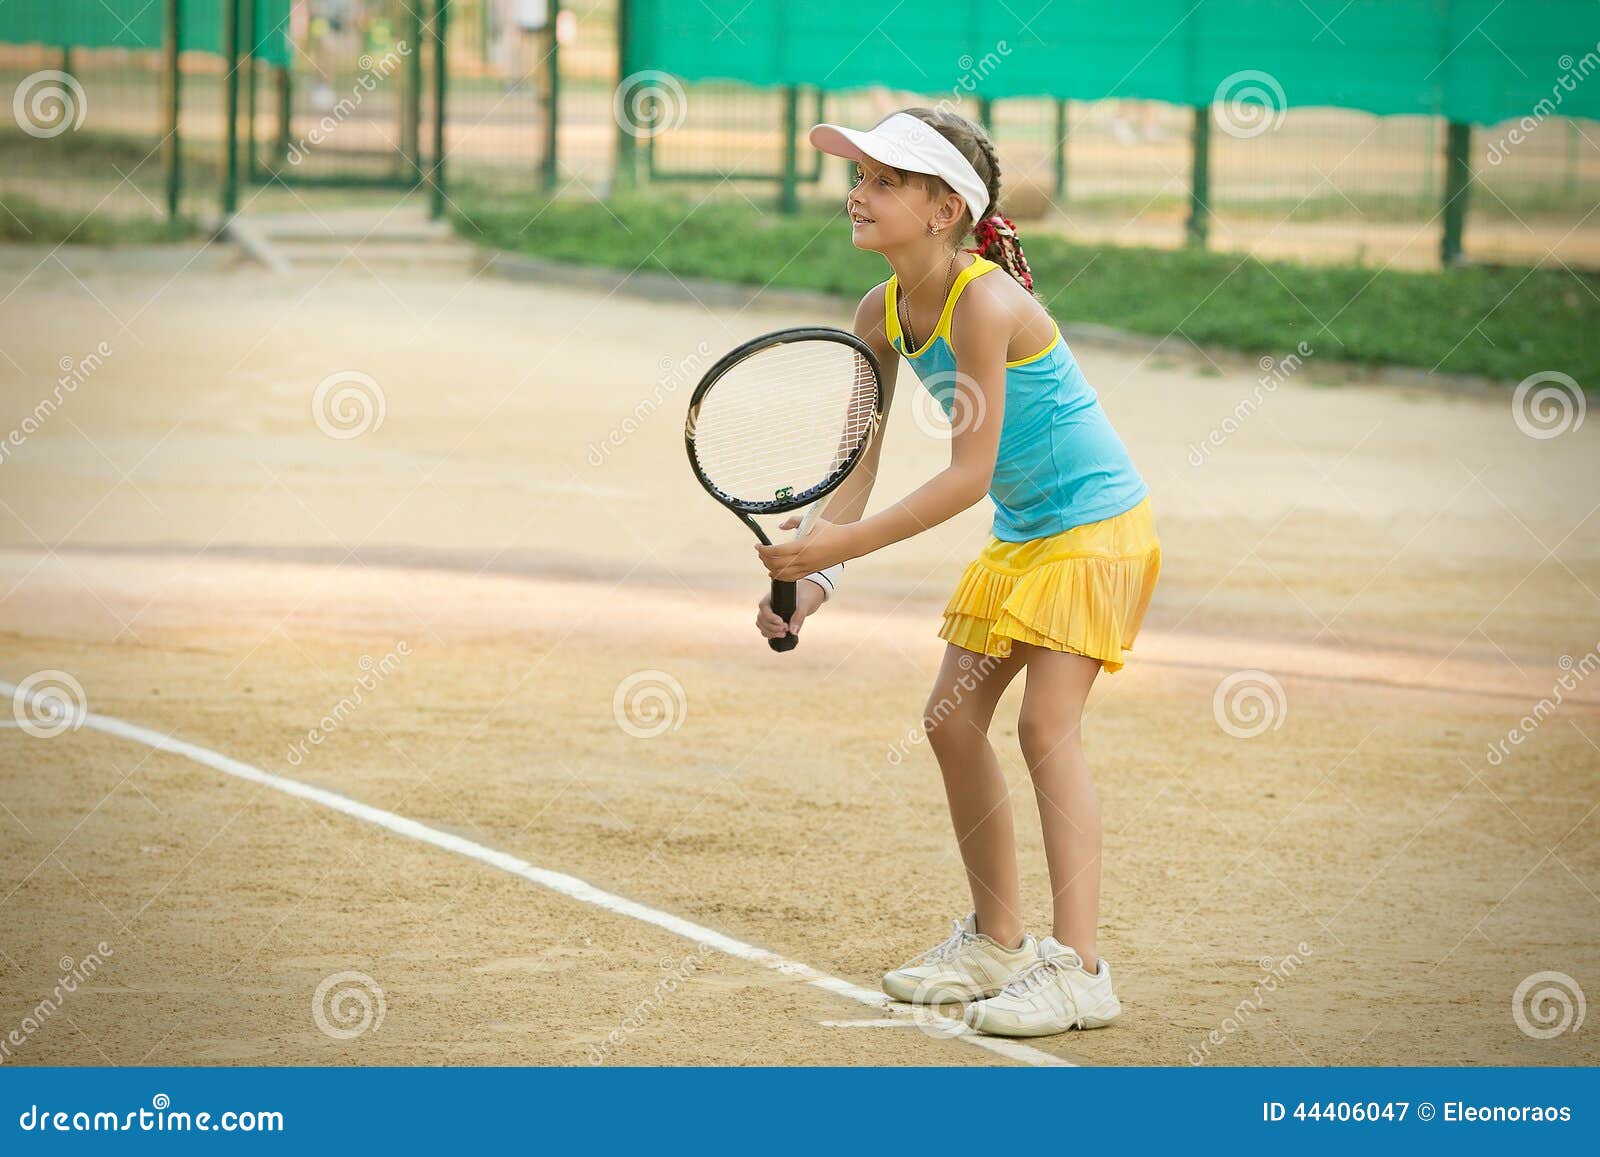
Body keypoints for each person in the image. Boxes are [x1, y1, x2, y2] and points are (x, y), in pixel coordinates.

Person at [753, 107, 1161, 1038]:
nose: (857, 193)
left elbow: (968, 476)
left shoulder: (984, 302)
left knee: (1046, 726)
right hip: (1030, 536)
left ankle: (1081, 970)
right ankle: (1000, 941)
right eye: (858, 177)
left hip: (1096, 530)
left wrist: (832, 550)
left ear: (945, 209)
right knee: (950, 720)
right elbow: (855, 462)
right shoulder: (878, 311)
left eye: (883, 181)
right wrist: (816, 582)